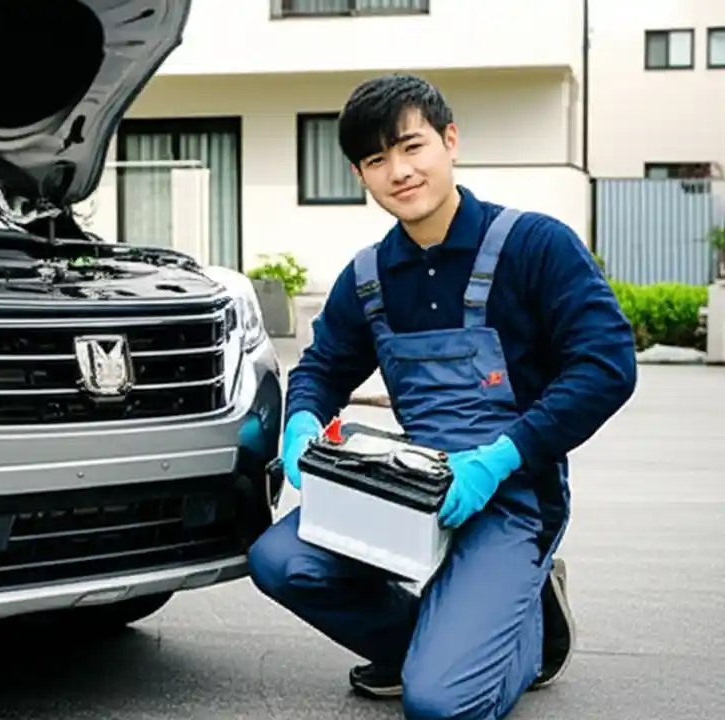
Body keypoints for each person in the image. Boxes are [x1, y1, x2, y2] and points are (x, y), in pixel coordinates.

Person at [247, 74, 638, 720]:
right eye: (376, 160)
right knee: (280, 560)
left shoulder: (534, 246)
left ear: (449, 140)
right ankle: (439, 637)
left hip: (512, 495)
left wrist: (498, 459)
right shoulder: (369, 277)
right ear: (359, 174)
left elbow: (607, 365)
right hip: (413, 489)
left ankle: (528, 637)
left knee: (439, 706)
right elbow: (320, 366)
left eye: (411, 146)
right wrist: (303, 422)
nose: (398, 171)